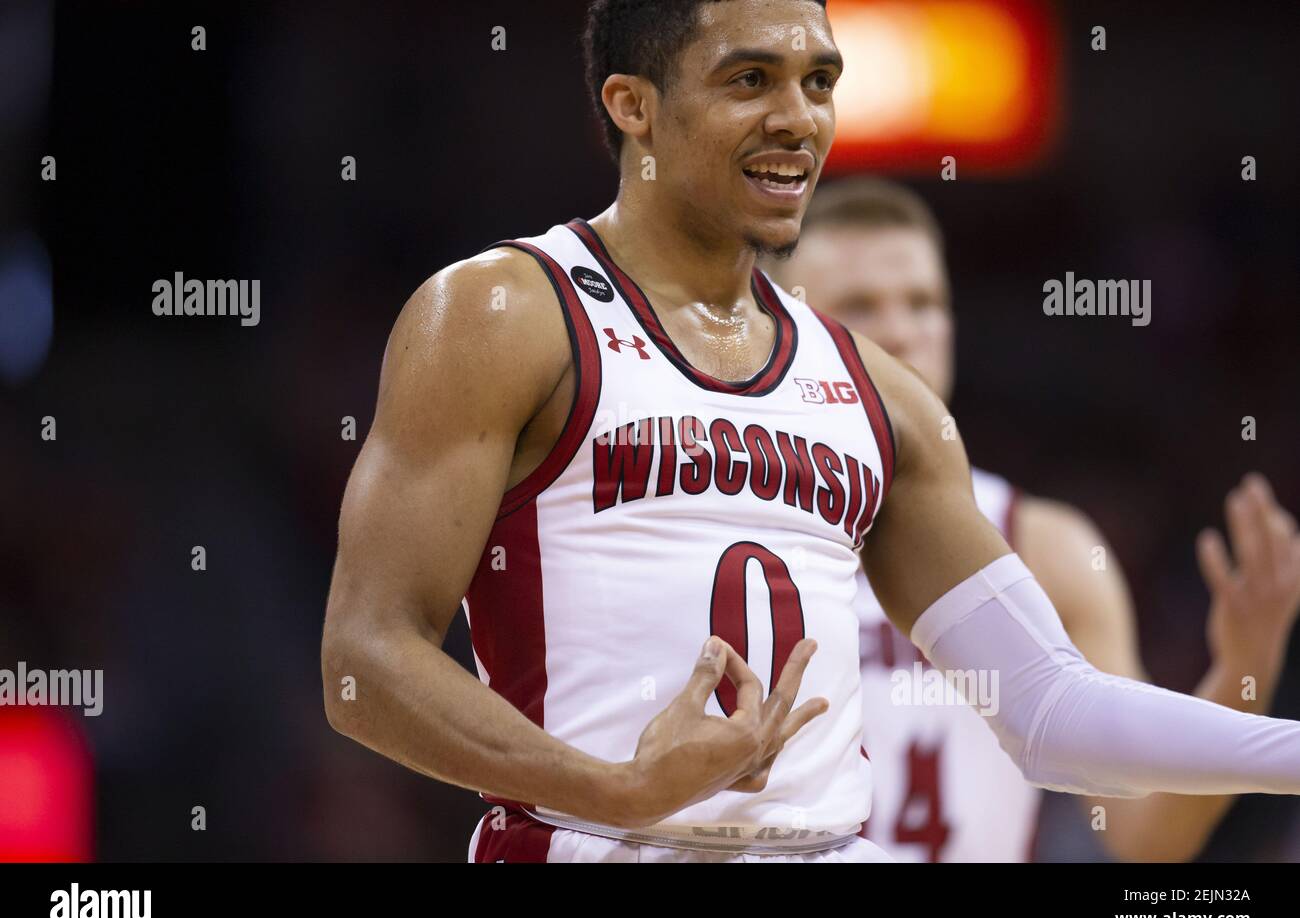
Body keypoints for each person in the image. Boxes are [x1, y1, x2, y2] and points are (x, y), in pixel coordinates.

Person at [319, 0, 1300, 863]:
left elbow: (1051, 710)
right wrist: (609, 786)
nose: (798, 118)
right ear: (633, 104)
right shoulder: (504, 312)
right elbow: (363, 660)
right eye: (750, 78)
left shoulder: (882, 396)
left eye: (818, 79)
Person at [770, 177, 1300, 861]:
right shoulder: (722, 531)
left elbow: (1144, 838)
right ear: (786, 331)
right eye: (861, 306)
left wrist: (1244, 666)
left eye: (924, 303)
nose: (902, 331)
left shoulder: (1046, 545)